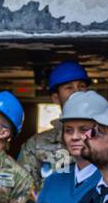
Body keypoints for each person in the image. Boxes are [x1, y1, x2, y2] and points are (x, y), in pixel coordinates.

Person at [17, 59, 92, 194]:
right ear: (56, 98)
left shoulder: (104, 138)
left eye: (81, 86)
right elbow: (22, 193)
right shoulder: (36, 145)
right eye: (69, 88)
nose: (77, 93)